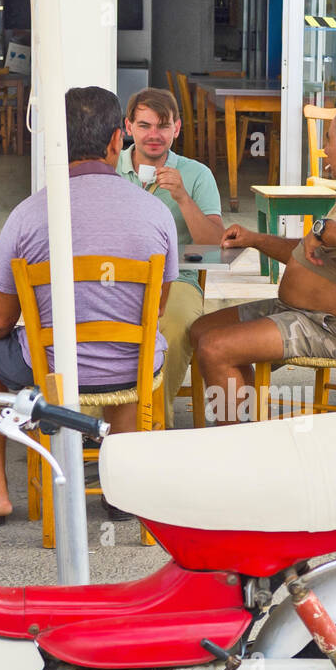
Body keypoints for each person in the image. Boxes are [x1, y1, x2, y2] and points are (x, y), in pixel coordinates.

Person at [0, 86, 177, 526]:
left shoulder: (29, 213)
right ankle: (121, 491)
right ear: (118, 140)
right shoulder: (154, 213)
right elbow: (154, 311)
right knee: (138, 351)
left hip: (52, 370)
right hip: (129, 366)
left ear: (55, 141)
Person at [190, 100, 336, 424]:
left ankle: (238, 449)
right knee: (203, 330)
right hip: (302, 313)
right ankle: (249, 428)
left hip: (333, 326)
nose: (325, 149)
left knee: (216, 347)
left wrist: (326, 228)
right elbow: (309, 254)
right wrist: (255, 239)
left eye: (328, 139)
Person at [115, 87, 222, 427]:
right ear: (128, 127)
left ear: (177, 129)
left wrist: (183, 197)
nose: (154, 135)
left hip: (178, 278)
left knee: (174, 327)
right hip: (113, 277)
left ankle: (151, 422)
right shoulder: (108, 168)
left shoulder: (196, 174)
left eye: (163, 126)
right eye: (144, 125)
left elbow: (214, 247)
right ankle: (96, 420)